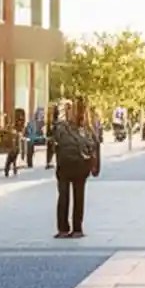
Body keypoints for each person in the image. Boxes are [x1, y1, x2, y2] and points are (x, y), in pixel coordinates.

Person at [52, 97, 100, 238]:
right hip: (80, 166)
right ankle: (77, 229)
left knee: (63, 197)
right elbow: (95, 145)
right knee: (78, 197)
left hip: (64, 165)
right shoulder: (86, 127)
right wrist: (95, 166)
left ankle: (63, 229)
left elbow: (54, 137)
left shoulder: (61, 126)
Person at [5, 109, 25, 177]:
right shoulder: (13, 126)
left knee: (14, 157)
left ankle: (13, 167)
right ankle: (8, 169)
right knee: (11, 156)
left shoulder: (20, 126)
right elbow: (10, 132)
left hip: (16, 144)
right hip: (13, 144)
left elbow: (21, 133)